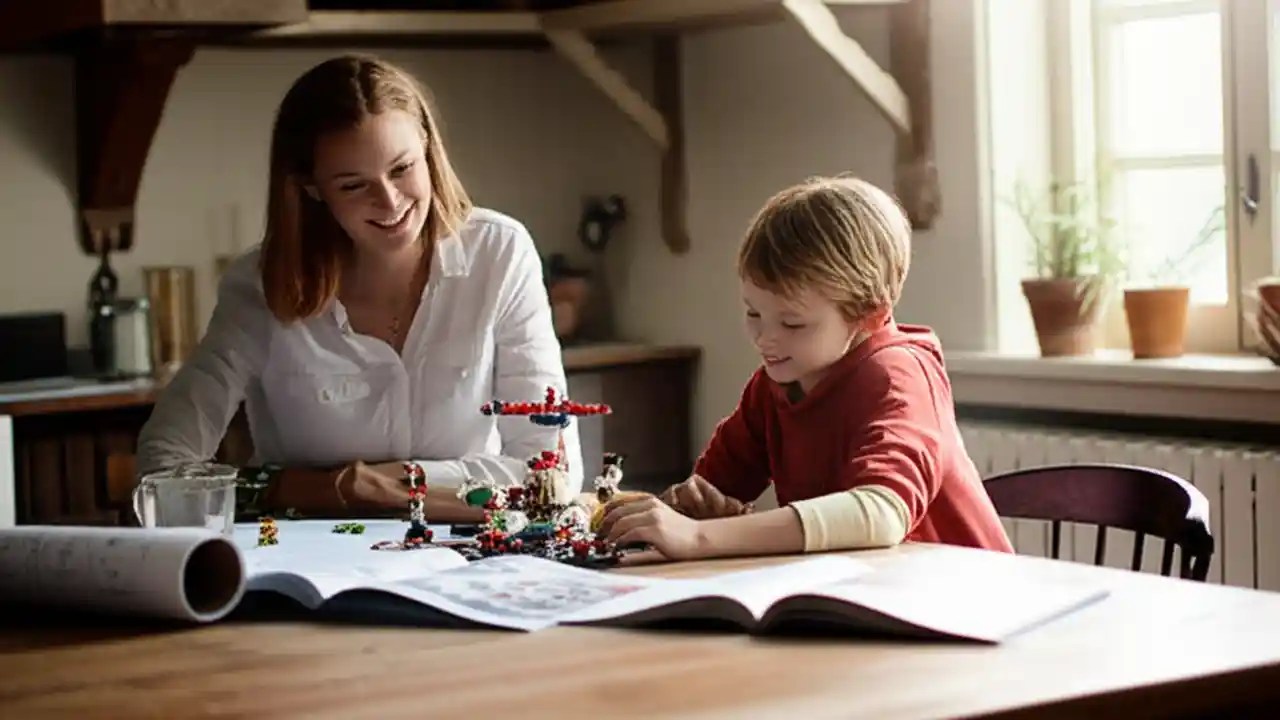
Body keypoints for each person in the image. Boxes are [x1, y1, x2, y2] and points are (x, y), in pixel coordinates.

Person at [136, 55, 581, 522]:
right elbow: (163, 469)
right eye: (353, 185)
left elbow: (550, 475)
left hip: (470, 563)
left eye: (402, 168)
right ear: (311, 188)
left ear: (428, 149)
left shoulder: (500, 254)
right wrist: (339, 489)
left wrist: (371, 486)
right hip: (313, 571)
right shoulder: (260, 285)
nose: (390, 202)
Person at [599, 175, 1013, 559]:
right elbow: (708, 496)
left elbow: (882, 512)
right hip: (864, 604)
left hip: (966, 611)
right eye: (753, 313)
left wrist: (699, 537)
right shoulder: (775, 384)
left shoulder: (897, 375)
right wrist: (688, 513)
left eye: (792, 322)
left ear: (869, 314)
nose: (764, 338)